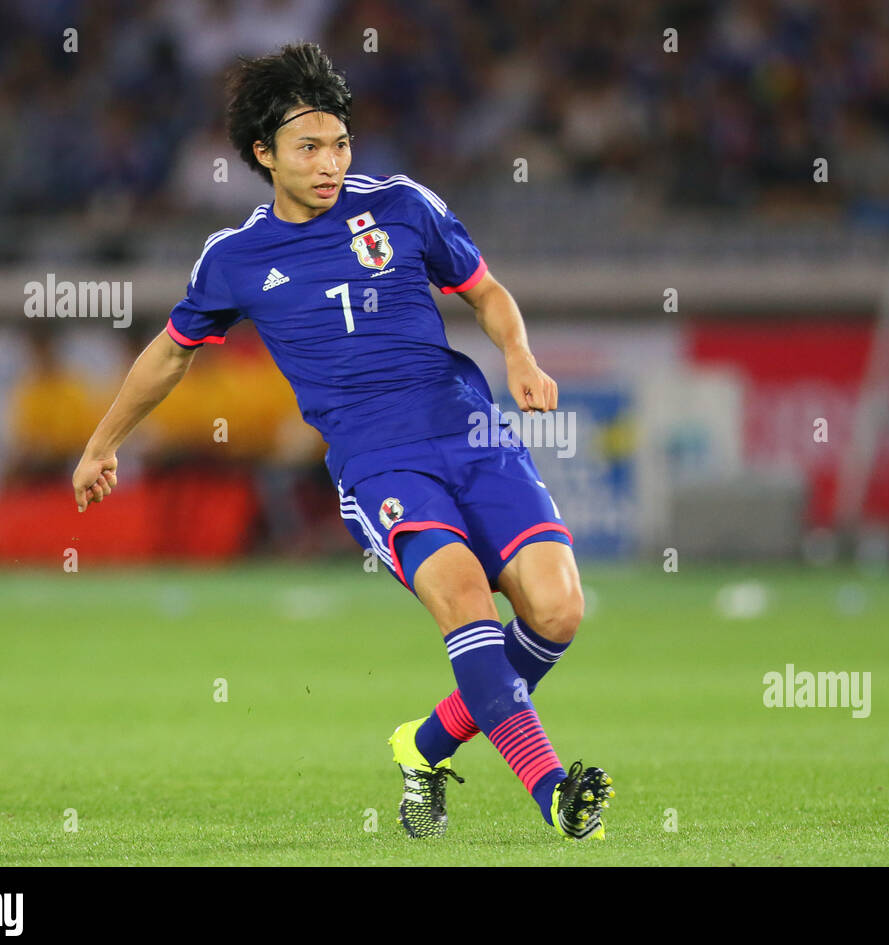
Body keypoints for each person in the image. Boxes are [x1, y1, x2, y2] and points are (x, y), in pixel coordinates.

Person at [71, 42, 612, 840]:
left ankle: (423, 746)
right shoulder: (236, 258)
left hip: (471, 431)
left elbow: (486, 290)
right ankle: (553, 793)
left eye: (340, 143)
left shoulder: (403, 205)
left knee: (559, 610)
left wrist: (519, 354)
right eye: (309, 148)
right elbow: (169, 353)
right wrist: (102, 442)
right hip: (379, 461)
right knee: (465, 597)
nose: (331, 163)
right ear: (264, 155)